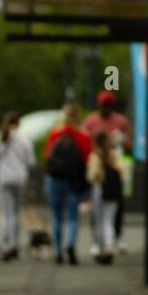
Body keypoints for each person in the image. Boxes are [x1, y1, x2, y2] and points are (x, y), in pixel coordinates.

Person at [83, 91, 133, 251]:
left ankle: (116, 237)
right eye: (103, 105)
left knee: (115, 208)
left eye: (108, 105)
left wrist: (122, 141)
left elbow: (129, 147)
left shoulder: (121, 122)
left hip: (115, 171)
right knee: (98, 210)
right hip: (98, 172)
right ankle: (98, 241)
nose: (105, 108)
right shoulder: (90, 121)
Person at [43, 102, 92, 265]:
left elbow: (47, 156)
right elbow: (86, 159)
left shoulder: (56, 133)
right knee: (72, 216)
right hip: (74, 180)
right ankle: (70, 244)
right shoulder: (83, 136)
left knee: (56, 216)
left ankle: (57, 251)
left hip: (55, 179)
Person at [0, 111, 34, 262]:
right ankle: (15, 244)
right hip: (19, 178)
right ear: (18, 123)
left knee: (5, 214)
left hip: (4, 178)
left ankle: (6, 245)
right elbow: (30, 161)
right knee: (16, 213)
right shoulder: (24, 139)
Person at [86, 131, 125, 264]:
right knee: (109, 219)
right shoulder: (114, 155)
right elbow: (122, 172)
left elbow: (91, 176)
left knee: (98, 219)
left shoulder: (94, 156)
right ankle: (109, 246)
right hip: (114, 191)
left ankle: (97, 245)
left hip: (99, 189)